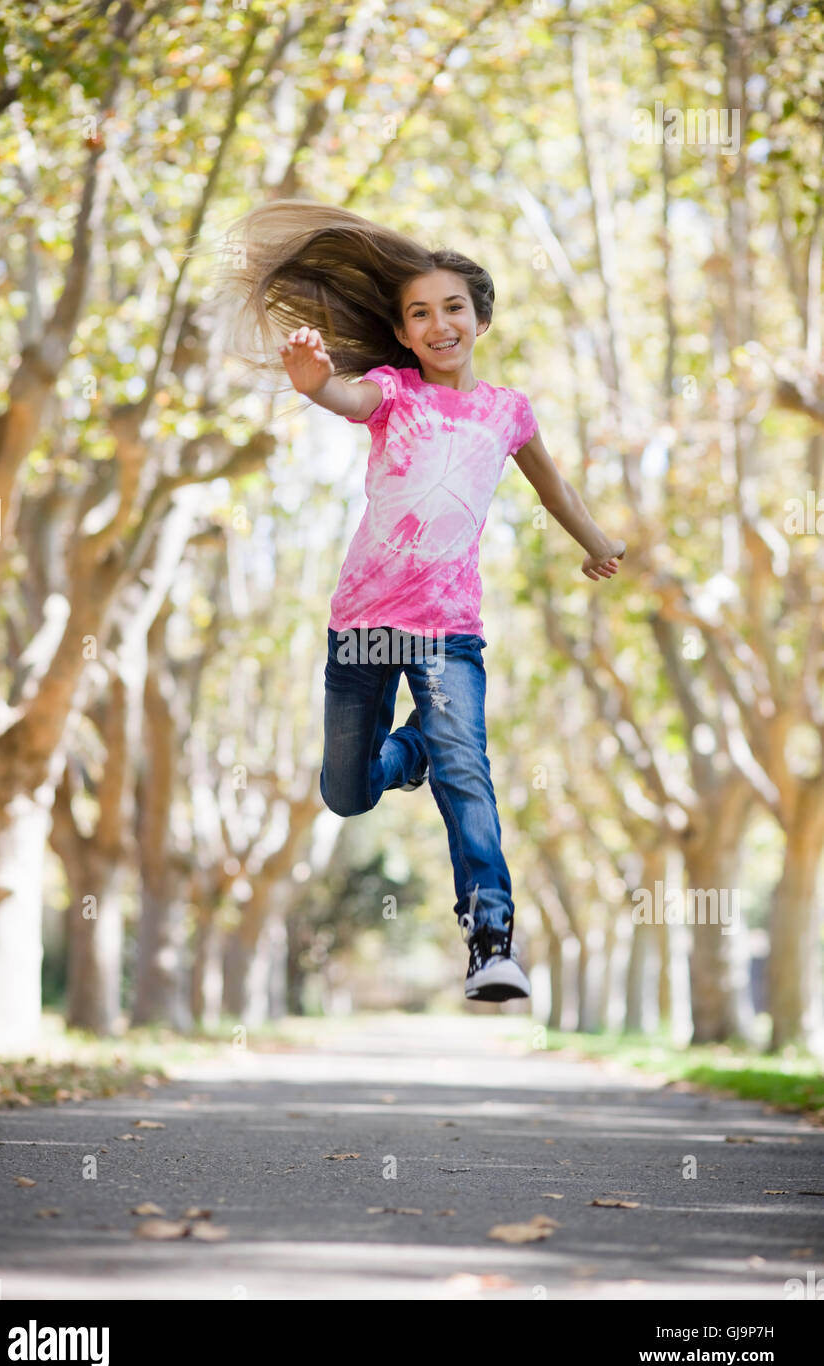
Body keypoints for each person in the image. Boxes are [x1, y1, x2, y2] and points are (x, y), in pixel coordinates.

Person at [213, 200, 625, 1002]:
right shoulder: (393, 390)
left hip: (448, 632)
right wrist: (314, 383)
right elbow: (349, 401)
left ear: (480, 317)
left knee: (468, 772)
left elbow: (555, 487)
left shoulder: (507, 412)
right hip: (361, 627)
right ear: (401, 333)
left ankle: (492, 939)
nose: (440, 325)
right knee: (347, 791)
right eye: (420, 314)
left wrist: (598, 540)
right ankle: (414, 751)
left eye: (454, 309)